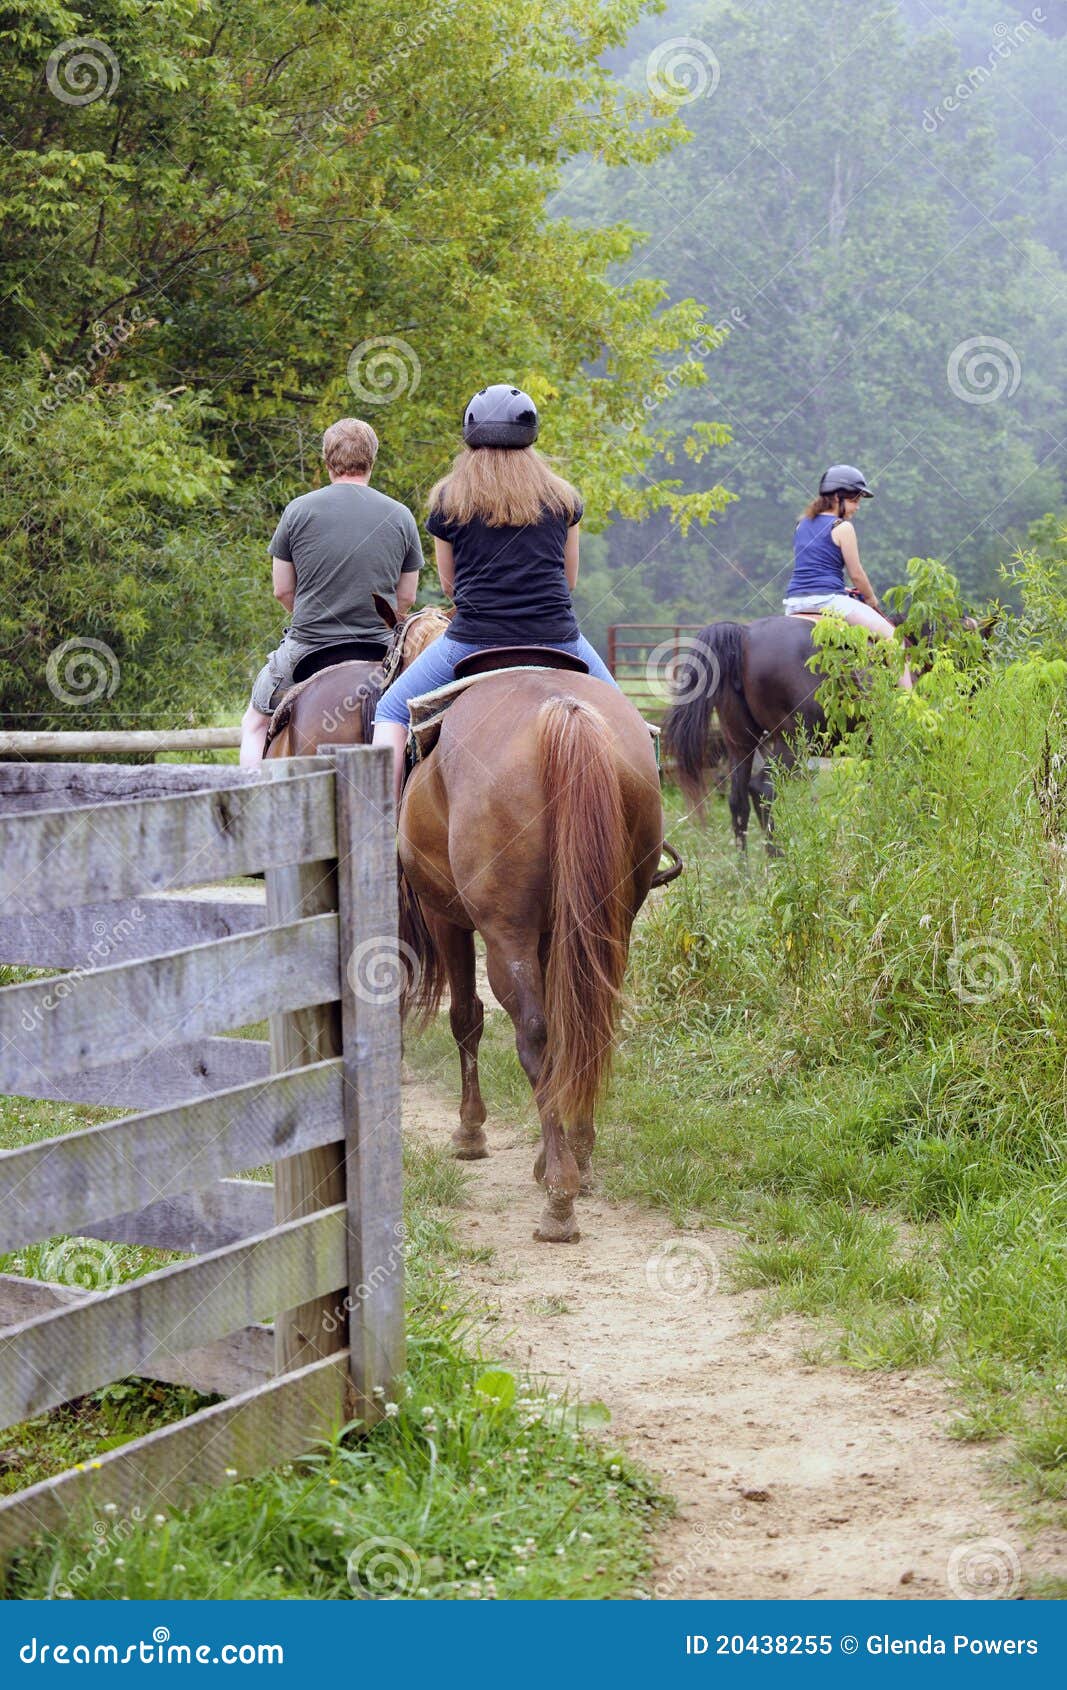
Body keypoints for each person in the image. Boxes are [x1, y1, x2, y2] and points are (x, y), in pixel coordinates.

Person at [372, 384, 617, 799]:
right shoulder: (563, 498)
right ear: (531, 436)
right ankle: (651, 845)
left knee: (389, 712)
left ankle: (377, 831)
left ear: (470, 439)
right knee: (628, 721)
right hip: (559, 638)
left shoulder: (449, 500)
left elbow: (451, 588)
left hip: (470, 643)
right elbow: (569, 581)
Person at [239, 417, 423, 765]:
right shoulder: (400, 516)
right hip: (380, 648)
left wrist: (315, 614)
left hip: (309, 645)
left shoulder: (298, 510)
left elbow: (282, 590)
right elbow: (407, 598)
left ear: (327, 461)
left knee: (256, 723)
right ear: (372, 460)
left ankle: (253, 813)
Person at [783, 463, 911, 686]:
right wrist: (870, 599)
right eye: (854, 500)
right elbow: (857, 574)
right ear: (836, 498)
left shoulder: (801, 525)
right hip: (828, 602)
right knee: (894, 639)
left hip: (794, 602)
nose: (857, 507)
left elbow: (814, 567)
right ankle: (909, 704)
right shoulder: (842, 527)